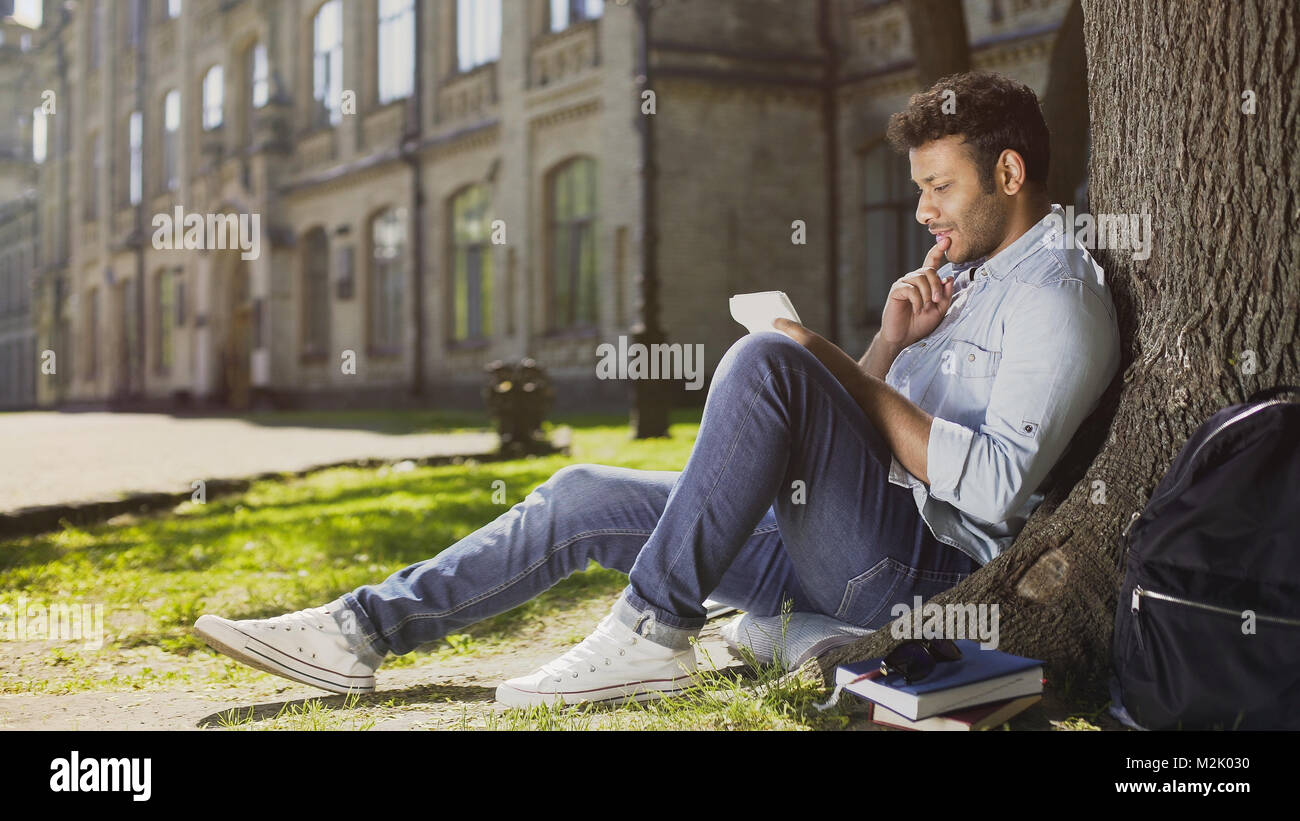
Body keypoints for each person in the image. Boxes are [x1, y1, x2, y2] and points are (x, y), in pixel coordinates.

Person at [194, 70, 1120, 709]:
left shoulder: (1057, 296)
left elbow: (995, 487)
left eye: (938, 186)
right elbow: (859, 427)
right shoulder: (964, 282)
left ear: (1008, 172)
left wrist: (824, 361)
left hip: (917, 572)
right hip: (839, 535)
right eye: (916, 188)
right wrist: (883, 341)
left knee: (769, 359)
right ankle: (359, 629)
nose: (922, 211)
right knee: (578, 494)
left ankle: (652, 627)